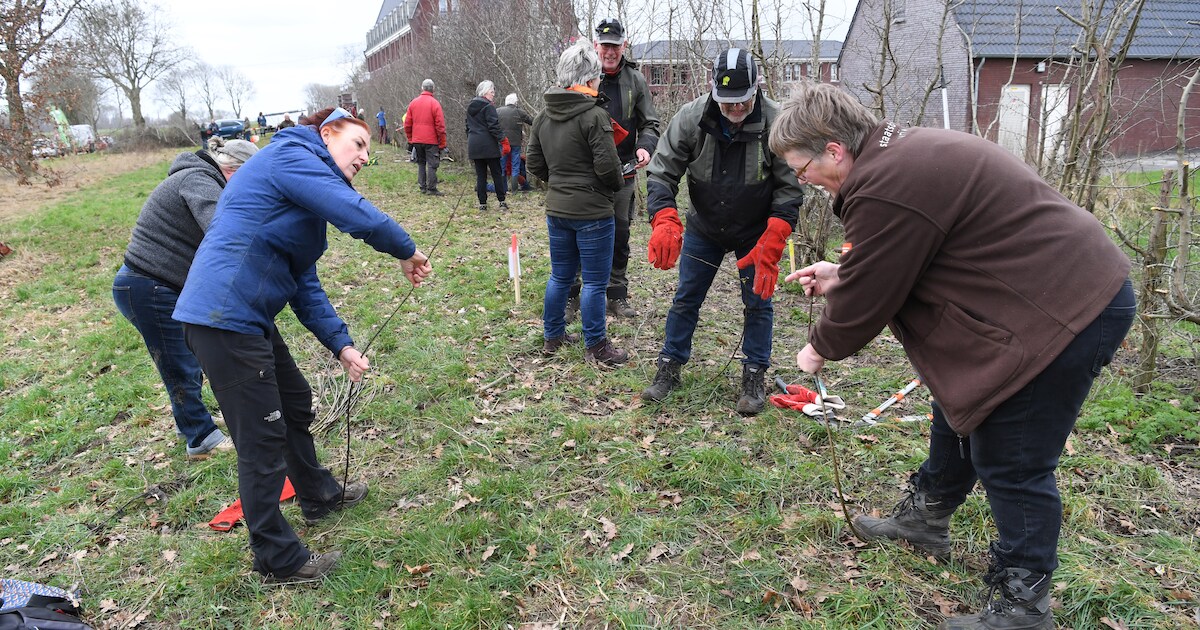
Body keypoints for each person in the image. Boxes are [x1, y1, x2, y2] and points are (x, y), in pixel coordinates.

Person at [771, 81, 1134, 629]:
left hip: (1068, 310)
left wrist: (820, 346)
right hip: (1044, 294)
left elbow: (873, 292)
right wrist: (844, 273)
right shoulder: (899, 158)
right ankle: (926, 519)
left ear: (835, 150)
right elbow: (907, 253)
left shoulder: (887, 183)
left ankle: (1023, 606)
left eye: (803, 169)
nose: (806, 180)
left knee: (1013, 459)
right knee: (960, 395)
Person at [173, 106, 432, 585]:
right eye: (358, 144)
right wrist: (406, 249)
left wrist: (342, 346)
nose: (364, 157)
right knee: (261, 440)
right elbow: (354, 213)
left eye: (368, 151)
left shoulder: (300, 191)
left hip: (245, 316)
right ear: (327, 133)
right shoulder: (291, 156)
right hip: (223, 318)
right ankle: (278, 558)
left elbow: (304, 285)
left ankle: (317, 494)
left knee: (293, 402)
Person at [641, 48, 802, 416]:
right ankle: (669, 367)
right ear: (713, 90)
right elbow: (662, 171)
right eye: (728, 102)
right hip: (705, 225)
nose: (736, 109)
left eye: (743, 100)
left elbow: (791, 185)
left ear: (757, 88)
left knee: (758, 302)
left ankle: (754, 374)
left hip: (756, 232)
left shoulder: (777, 122)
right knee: (686, 298)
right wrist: (663, 218)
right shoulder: (691, 118)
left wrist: (777, 231)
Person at [113, 138, 260, 459]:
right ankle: (200, 437)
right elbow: (223, 230)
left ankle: (189, 421)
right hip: (148, 286)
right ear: (235, 171)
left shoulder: (201, 178)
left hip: (154, 284)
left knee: (186, 359)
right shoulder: (199, 180)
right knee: (178, 363)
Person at [526, 40, 627, 366]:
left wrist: (558, 182)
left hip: (557, 210)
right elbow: (608, 169)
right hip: (593, 212)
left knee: (560, 276)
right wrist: (616, 183)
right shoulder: (594, 116)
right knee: (595, 282)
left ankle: (553, 336)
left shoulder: (543, 116)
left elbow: (534, 163)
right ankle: (596, 345)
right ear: (590, 78)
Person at [565, 18, 661, 321]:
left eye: (615, 46)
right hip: (585, 173)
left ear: (624, 46)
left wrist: (645, 146)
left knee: (619, 234)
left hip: (623, 172)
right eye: (605, 45)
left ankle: (616, 293)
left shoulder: (636, 80)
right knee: (578, 233)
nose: (609, 51)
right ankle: (571, 294)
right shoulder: (582, 72)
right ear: (596, 45)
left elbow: (650, 123)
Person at [465, 80, 509, 212]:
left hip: (474, 144)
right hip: (488, 145)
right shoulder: (488, 106)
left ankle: (482, 204)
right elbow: (493, 126)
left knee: (481, 175)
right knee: (496, 173)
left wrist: (472, 139)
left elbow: (467, 127)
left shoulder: (470, 107)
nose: (493, 94)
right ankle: (502, 201)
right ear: (484, 92)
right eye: (491, 91)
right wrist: (504, 140)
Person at [404, 79, 448, 195]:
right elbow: (440, 126)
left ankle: (422, 186)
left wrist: (411, 138)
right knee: (432, 164)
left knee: (421, 163)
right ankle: (431, 188)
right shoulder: (435, 104)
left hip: (417, 139)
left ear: (422, 88)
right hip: (431, 140)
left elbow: (407, 124)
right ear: (433, 89)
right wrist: (442, 143)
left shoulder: (413, 103)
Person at [496, 93, 533, 194]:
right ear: (515, 102)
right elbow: (532, 121)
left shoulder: (498, 111)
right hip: (516, 143)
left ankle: (503, 189)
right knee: (515, 166)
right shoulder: (519, 112)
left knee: (502, 165)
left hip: (502, 142)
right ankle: (514, 190)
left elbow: (492, 125)